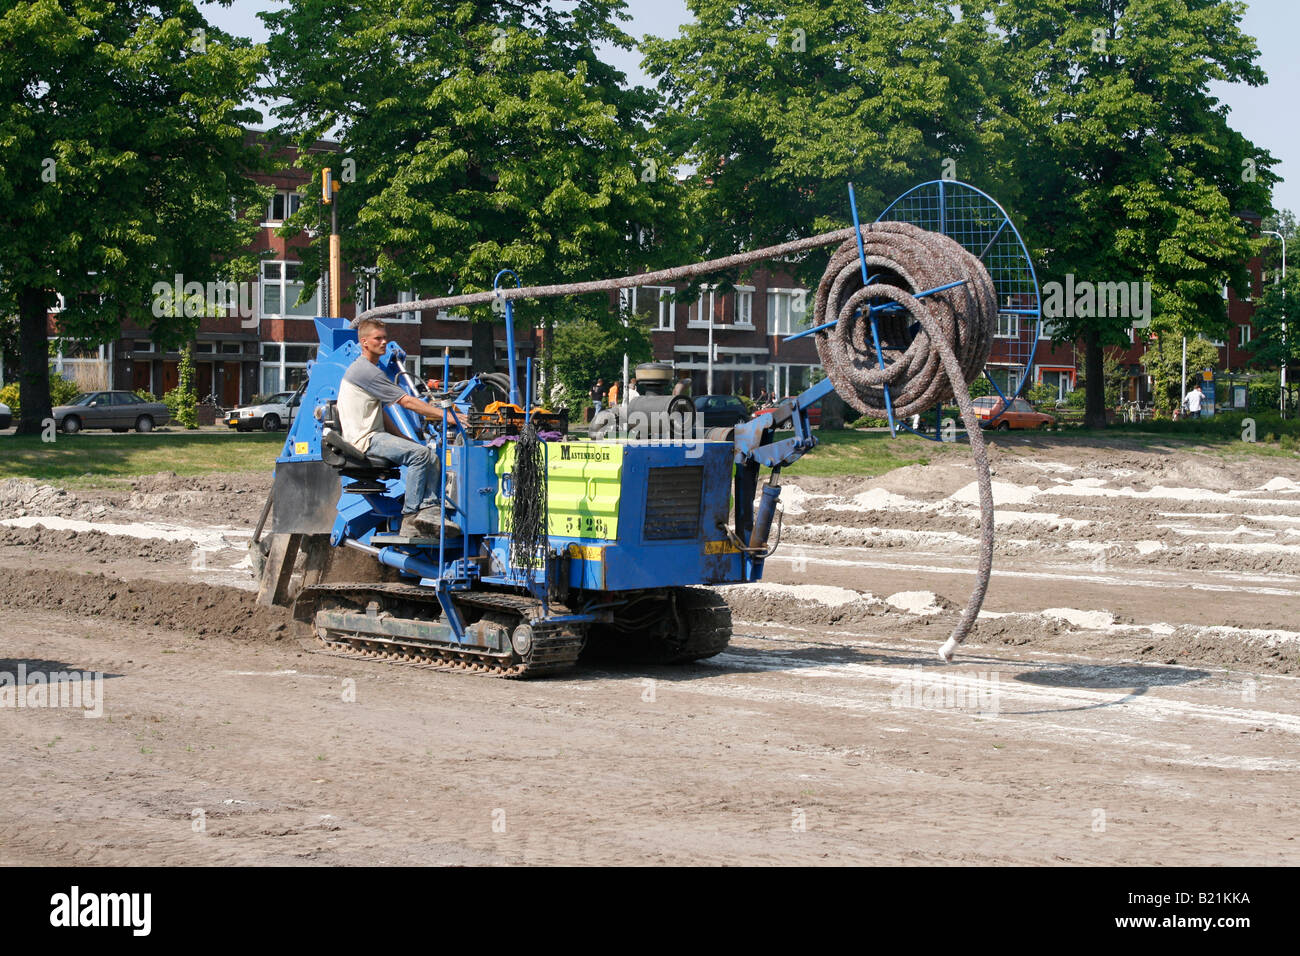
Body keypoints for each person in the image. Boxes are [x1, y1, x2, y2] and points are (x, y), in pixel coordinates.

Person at [339, 318, 449, 536]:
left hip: (374, 435)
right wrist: (447, 416)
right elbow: (407, 402)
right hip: (366, 441)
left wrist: (403, 438)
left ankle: (429, 511)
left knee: (430, 455)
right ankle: (411, 518)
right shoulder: (366, 371)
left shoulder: (368, 370)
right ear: (364, 342)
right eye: (378, 338)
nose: (384, 342)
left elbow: (380, 414)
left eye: (385, 338)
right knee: (419, 455)